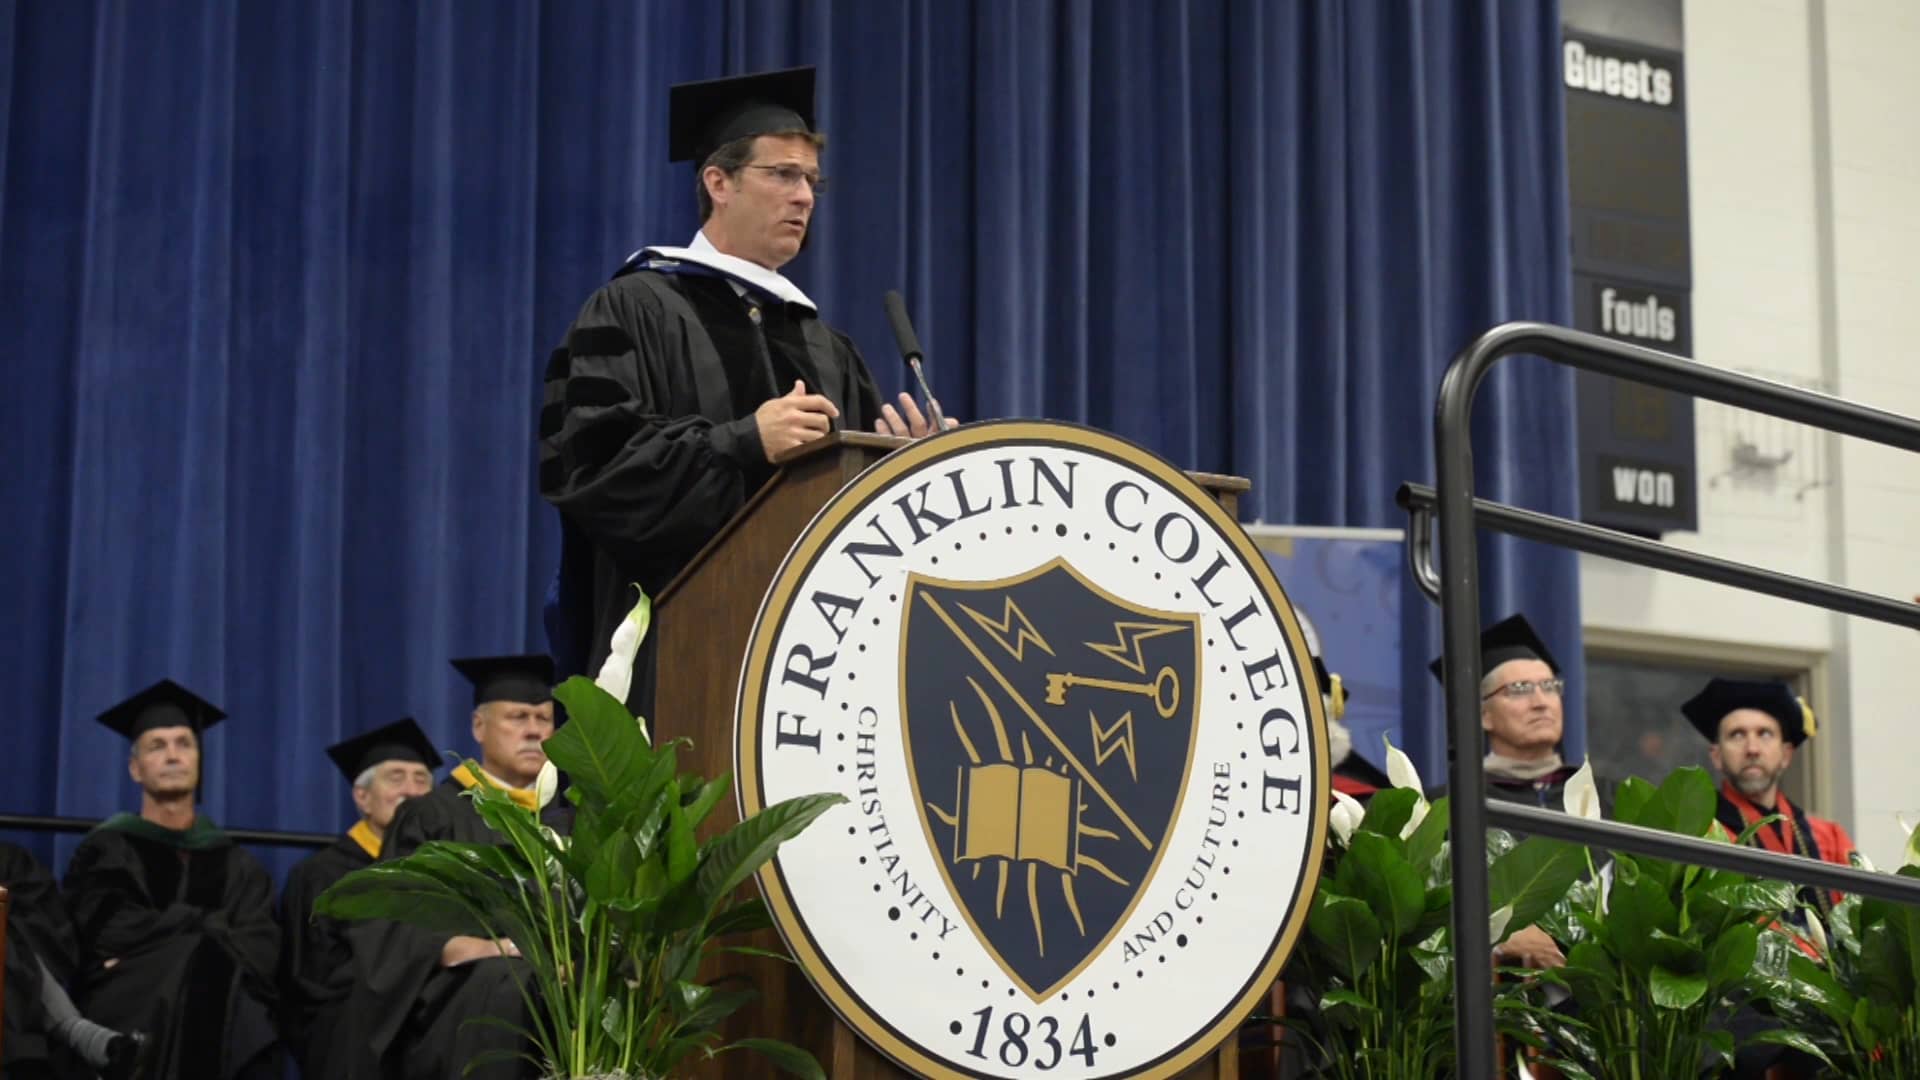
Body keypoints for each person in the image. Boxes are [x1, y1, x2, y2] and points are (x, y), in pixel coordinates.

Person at [538, 66, 950, 711]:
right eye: (783, 174)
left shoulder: (825, 345)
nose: (805, 197)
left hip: (812, 671)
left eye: (812, 180)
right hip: (674, 647)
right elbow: (591, 469)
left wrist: (897, 468)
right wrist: (743, 442)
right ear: (718, 182)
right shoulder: (634, 308)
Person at [338, 656, 570, 1079]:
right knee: (508, 984)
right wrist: (472, 947)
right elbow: (392, 919)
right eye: (518, 717)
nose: (535, 730)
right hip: (466, 998)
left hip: (564, 989)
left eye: (544, 718)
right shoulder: (434, 815)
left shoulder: (571, 823)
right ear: (479, 727)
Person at [62, 680, 281, 1079]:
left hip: (225, 1025)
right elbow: (108, 933)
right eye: (157, 746)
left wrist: (173, 937)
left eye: (184, 743)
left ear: (199, 761)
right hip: (132, 1013)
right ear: (135, 768)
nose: (173, 755)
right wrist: (210, 928)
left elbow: (261, 951)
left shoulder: (238, 864)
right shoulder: (105, 851)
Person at [1429, 614, 1615, 971]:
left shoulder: (1611, 798)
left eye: (1549, 687)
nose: (1541, 702)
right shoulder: (1448, 808)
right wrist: (1497, 937)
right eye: (1519, 690)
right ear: (1482, 715)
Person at [1683, 679, 1844, 1080]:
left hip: (1831, 1009)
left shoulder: (1828, 838)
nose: (1752, 747)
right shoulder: (1701, 832)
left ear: (1786, 753)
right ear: (1717, 756)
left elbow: (1853, 926)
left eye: (1764, 734)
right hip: (1742, 1013)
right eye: (1737, 735)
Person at [280, 718, 438, 1078]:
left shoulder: (445, 874)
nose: (412, 791)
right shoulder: (320, 877)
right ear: (362, 797)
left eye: (421, 779)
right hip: (353, 1037)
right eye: (396, 778)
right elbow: (308, 985)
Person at [2, 841, 149, 1078]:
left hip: (18, 997)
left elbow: (46, 931)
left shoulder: (9, 860)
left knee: (11, 937)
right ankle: (86, 1038)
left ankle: (86, 1040)